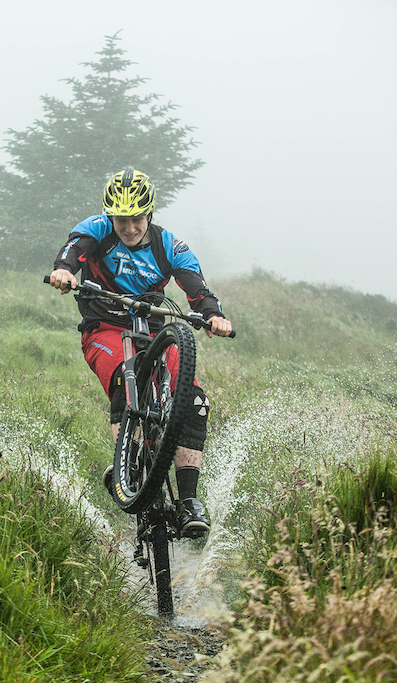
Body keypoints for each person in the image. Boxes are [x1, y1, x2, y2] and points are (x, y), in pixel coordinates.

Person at [48, 167, 232, 537]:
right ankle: (127, 463)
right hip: (104, 327)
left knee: (193, 399)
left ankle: (188, 501)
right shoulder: (97, 228)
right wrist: (65, 271)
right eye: (121, 220)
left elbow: (196, 286)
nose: (129, 228)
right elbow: (74, 250)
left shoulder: (169, 246)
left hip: (153, 330)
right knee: (125, 376)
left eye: (136, 219)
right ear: (110, 215)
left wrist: (213, 315)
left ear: (149, 214)